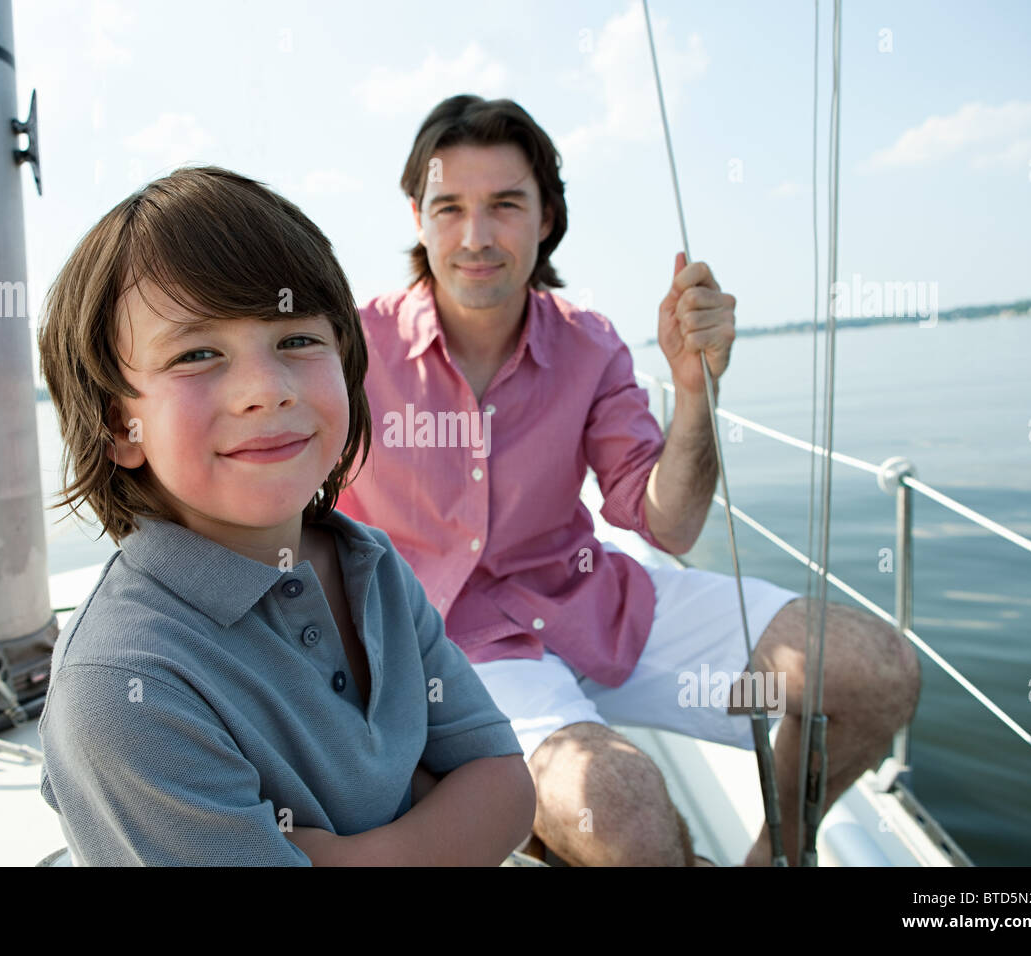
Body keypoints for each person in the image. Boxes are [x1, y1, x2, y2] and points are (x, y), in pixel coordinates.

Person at [335, 95, 922, 866]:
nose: (476, 237)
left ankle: (780, 855)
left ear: (547, 217)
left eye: (506, 204)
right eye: (450, 207)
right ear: (418, 216)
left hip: (596, 613)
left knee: (871, 674)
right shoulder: (349, 346)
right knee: (624, 813)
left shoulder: (590, 343)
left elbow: (668, 526)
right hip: (459, 659)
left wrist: (695, 391)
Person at [34, 165, 535, 866]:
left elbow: (506, 786)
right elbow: (475, 796)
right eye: (197, 354)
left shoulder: (372, 565)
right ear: (120, 425)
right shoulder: (122, 682)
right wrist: (437, 810)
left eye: (297, 341)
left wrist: (349, 858)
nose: (265, 391)